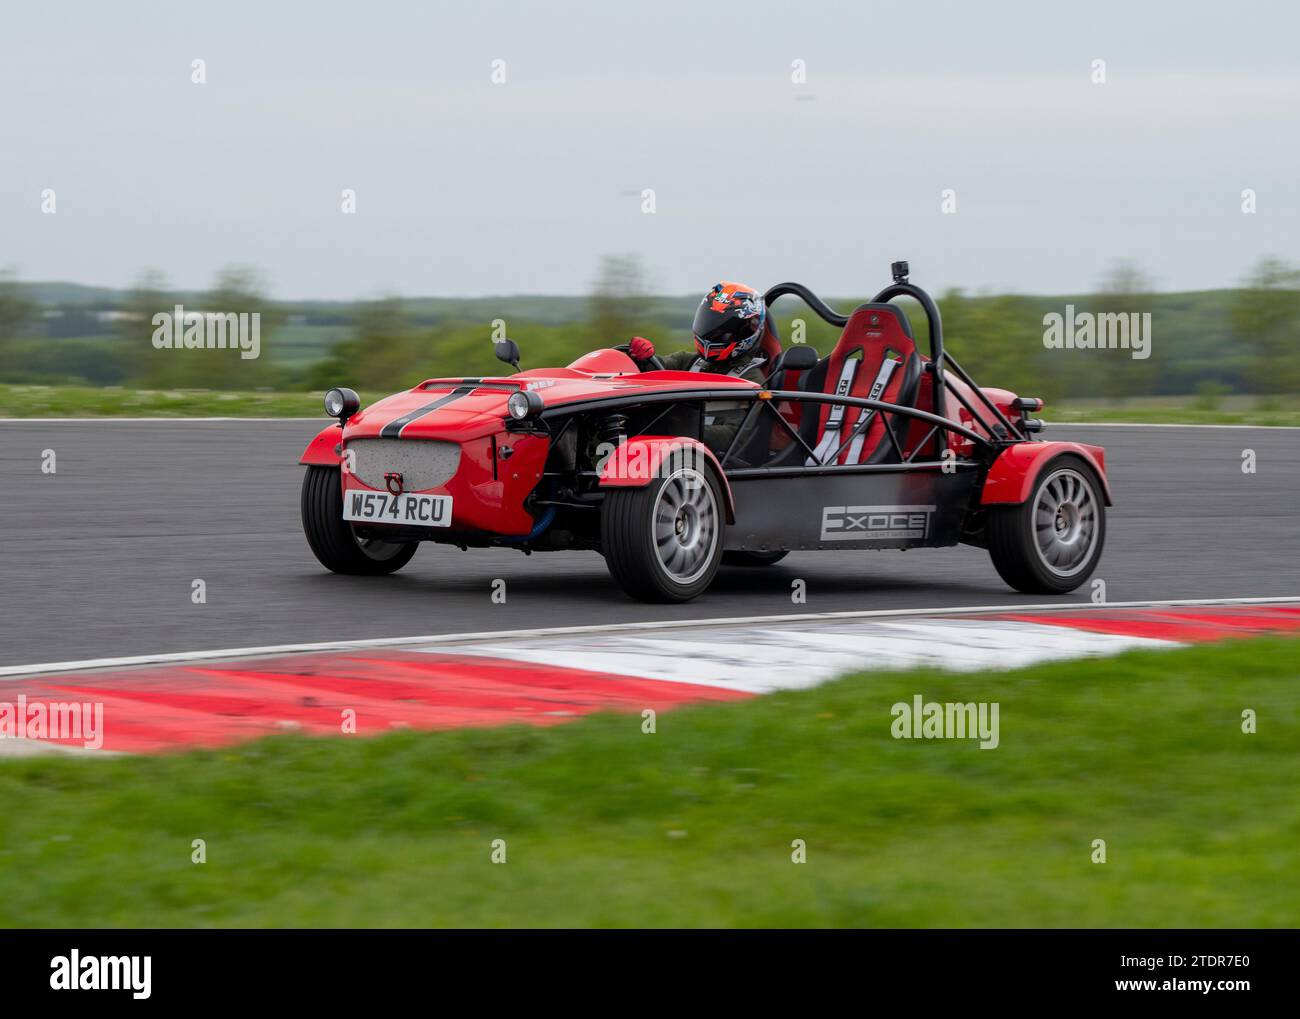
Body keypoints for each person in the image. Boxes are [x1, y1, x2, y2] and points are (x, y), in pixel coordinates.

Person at [626, 282, 771, 452]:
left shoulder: (751, 381)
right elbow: (657, 366)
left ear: (748, 330)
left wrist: (674, 429)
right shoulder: (691, 362)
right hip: (676, 452)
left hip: (711, 461)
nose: (712, 333)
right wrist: (637, 356)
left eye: (722, 329)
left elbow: (732, 435)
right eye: (710, 323)